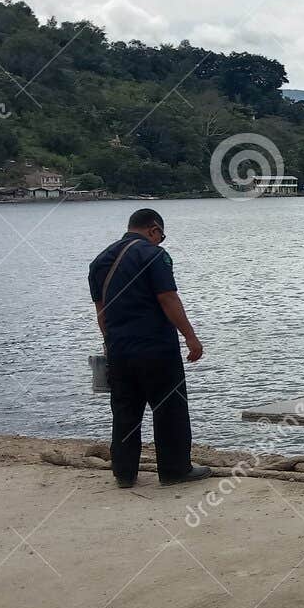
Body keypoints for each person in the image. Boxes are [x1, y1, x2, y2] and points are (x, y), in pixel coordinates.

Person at [88, 208, 210, 489]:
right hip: (155, 347)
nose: (160, 241)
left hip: (119, 348)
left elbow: (101, 312)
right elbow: (167, 297)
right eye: (161, 236)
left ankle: (124, 473)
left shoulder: (99, 261)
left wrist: (110, 344)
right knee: (169, 408)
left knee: (124, 411)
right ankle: (174, 470)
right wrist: (191, 337)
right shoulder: (153, 255)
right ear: (153, 229)